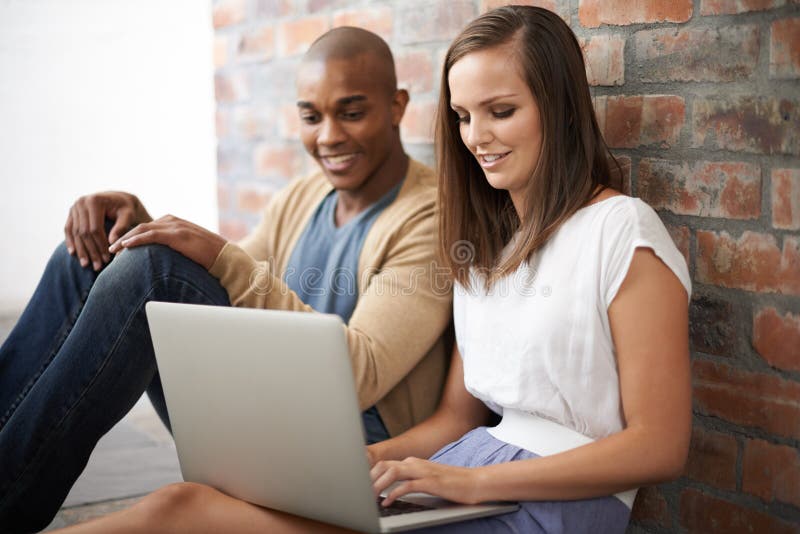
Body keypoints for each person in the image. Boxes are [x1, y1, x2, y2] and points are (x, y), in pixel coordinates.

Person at [47, 6, 692, 534]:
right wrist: (358, 463)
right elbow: (457, 419)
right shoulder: (485, 246)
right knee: (179, 506)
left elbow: (660, 446)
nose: (477, 138)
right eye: (464, 116)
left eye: (502, 111)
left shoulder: (621, 230)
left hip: (546, 503)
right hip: (462, 471)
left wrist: (471, 482)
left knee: (199, 517)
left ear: (560, 108)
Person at [0, 27, 453, 533]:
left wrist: (169, 260)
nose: (328, 136)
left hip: (355, 454)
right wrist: (141, 232)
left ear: (397, 106)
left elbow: (361, 373)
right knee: (93, 255)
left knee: (152, 270)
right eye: (311, 116)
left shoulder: (431, 216)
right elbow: (215, 285)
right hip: (271, 406)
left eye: (351, 112)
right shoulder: (303, 198)